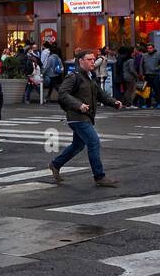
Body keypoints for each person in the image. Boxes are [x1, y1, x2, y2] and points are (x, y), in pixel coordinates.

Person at [50, 48, 124, 188]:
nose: (93, 62)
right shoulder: (74, 76)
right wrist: (79, 105)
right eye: (89, 59)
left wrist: (114, 102)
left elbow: (100, 94)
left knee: (78, 145)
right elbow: (62, 93)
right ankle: (99, 176)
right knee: (93, 141)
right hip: (77, 116)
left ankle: (55, 164)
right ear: (81, 61)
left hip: (86, 116)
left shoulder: (90, 76)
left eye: (93, 59)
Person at [141, 43, 160, 110]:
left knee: (157, 90)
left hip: (155, 75)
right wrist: (142, 74)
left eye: (150, 48)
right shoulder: (144, 55)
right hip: (147, 75)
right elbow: (141, 65)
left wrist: (156, 69)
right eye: (148, 48)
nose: (149, 49)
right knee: (148, 91)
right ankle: (148, 104)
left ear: (153, 48)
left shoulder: (158, 55)